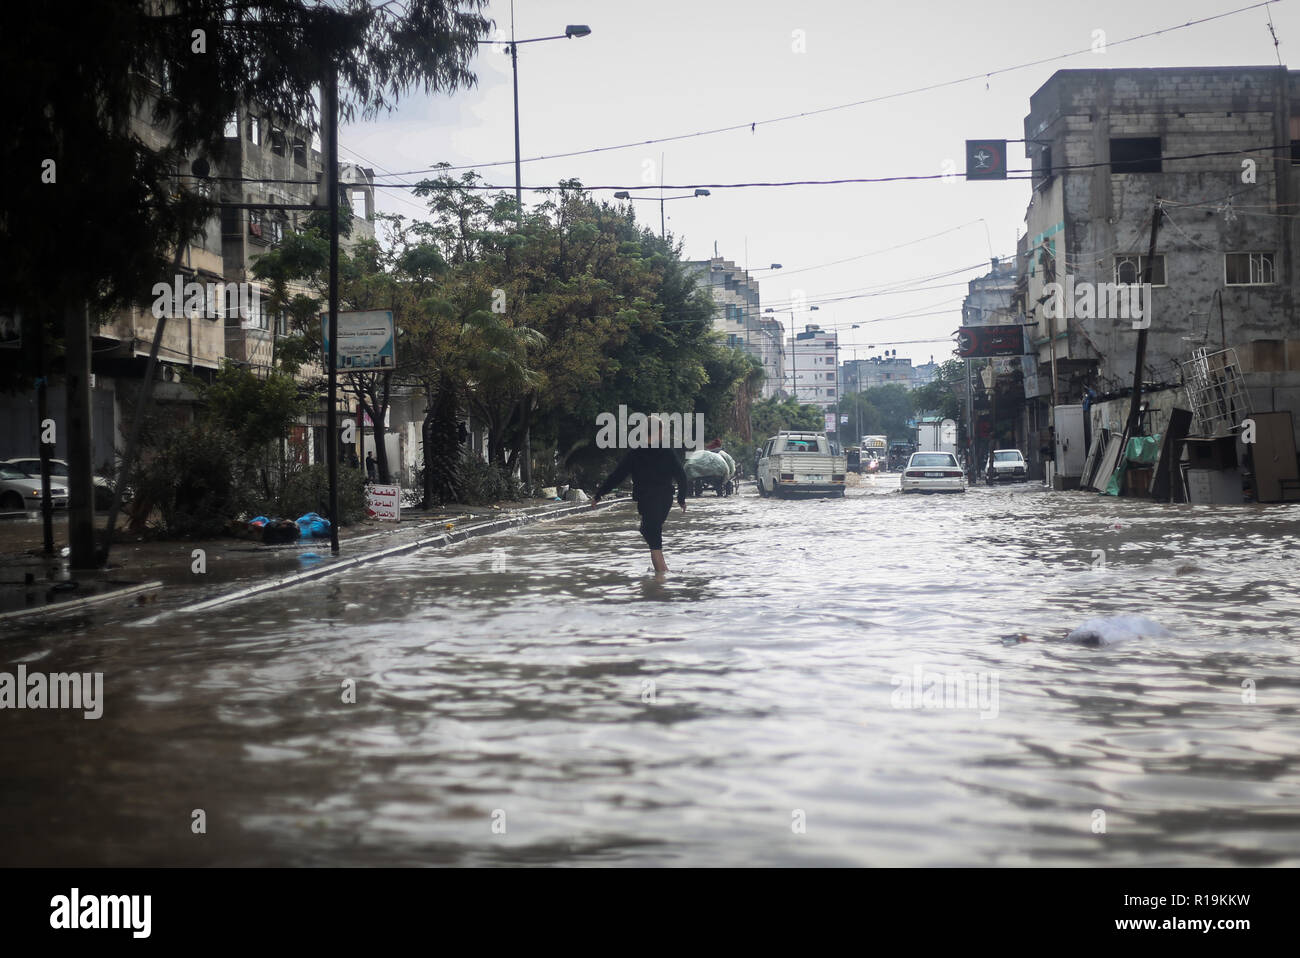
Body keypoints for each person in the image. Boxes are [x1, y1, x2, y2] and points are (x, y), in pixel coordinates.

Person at [591, 417, 689, 574]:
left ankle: (661, 579)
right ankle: (663, 575)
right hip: (665, 500)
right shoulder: (667, 452)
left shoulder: (635, 453)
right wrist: (681, 499)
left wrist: (599, 494)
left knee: (652, 535)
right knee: (651, 532)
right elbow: (682, 477)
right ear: (659, 432)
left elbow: (617, 476)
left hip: (647, 500)